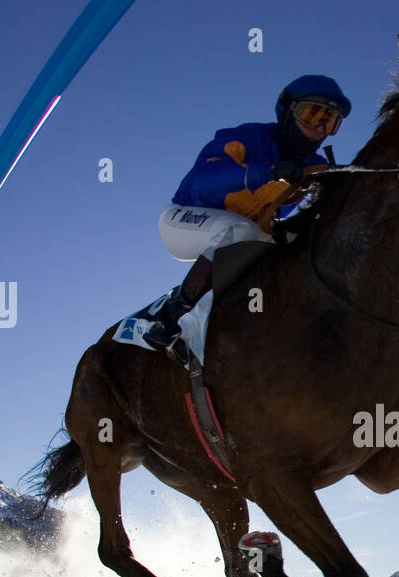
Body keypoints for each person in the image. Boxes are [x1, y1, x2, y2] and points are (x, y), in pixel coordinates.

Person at [144, 74, 352, 366]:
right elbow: (202, 181)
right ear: (286, 112)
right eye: (312, 114)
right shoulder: (247, 138)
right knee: (239, 230)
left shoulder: (309, 168)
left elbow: (273, 221)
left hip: (235, 236)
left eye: (330, 122)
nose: (319, 129)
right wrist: (269, 172)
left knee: (282, 250)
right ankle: (172, 317)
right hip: (181, 220)